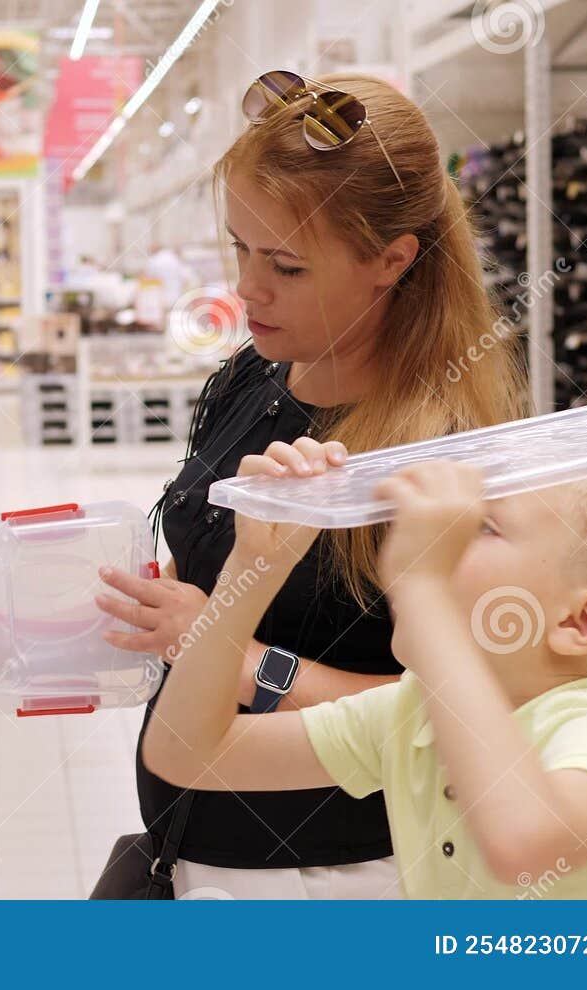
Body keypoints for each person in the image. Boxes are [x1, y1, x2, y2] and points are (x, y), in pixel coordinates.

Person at [90, 71, 527, 899]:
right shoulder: (253, 379)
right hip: (192, 847)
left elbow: (467, 708)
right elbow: (207, 564)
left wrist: (238, 653)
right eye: (240, 248)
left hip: (338, 873)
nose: (247, 288)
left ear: (392, 261)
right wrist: (153, 611)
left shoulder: (437, 459)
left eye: (286, 265)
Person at [142, 451, 587, 898]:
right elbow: (188, 753)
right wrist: (255, 569)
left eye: (483, 527)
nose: (431, 540)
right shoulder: (411, 712)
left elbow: (524, 845)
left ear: (578, 621)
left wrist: (422, 591)